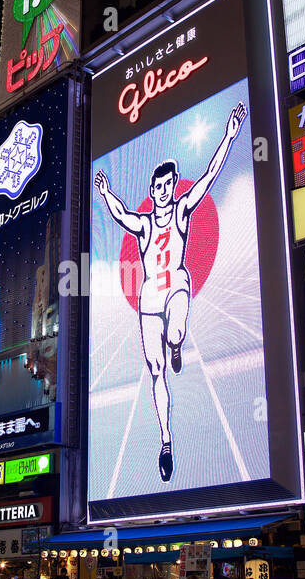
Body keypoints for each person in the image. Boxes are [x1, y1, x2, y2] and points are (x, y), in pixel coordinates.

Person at [93, 102, 247, 482]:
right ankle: (166, 440)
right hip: (149, 297)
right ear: (151, 189)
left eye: (168, 185)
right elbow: (119, 213)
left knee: (175, 330)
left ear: (173, 185)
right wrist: (106, 191)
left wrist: (229, 135)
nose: (163, 191)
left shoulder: (181, 212)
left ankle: (176, 341)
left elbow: (210, 176)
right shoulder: (144, 224)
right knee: (155, 371)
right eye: (158, 187)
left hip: (176, 285)